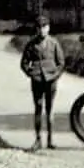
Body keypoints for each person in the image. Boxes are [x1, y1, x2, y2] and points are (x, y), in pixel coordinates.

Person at [19, 14, 65, 150]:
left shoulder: (54, 43)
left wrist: (55, 75)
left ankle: (50, 140)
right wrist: (31, 73)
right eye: (39, 28)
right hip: (37, 80)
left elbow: (61, 63)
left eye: (44, 27)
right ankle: (38, 139)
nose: (42, 30)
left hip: (51, 80)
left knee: (50, 109)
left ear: (49, 28)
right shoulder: (31, 44)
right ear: (36, 29)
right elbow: (24, 63)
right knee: (38, 108)